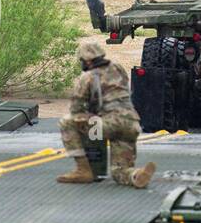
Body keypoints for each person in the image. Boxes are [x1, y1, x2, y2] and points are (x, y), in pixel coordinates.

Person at [57, 40, 156, 188]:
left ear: (88, 61)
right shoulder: (118, 68)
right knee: (119, 172)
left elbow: (76, 108)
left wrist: (89, 116)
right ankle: (137, 175)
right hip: (131, 123)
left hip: (109, 123)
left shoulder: (88, 76)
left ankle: (83, 170)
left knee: (67, 122)